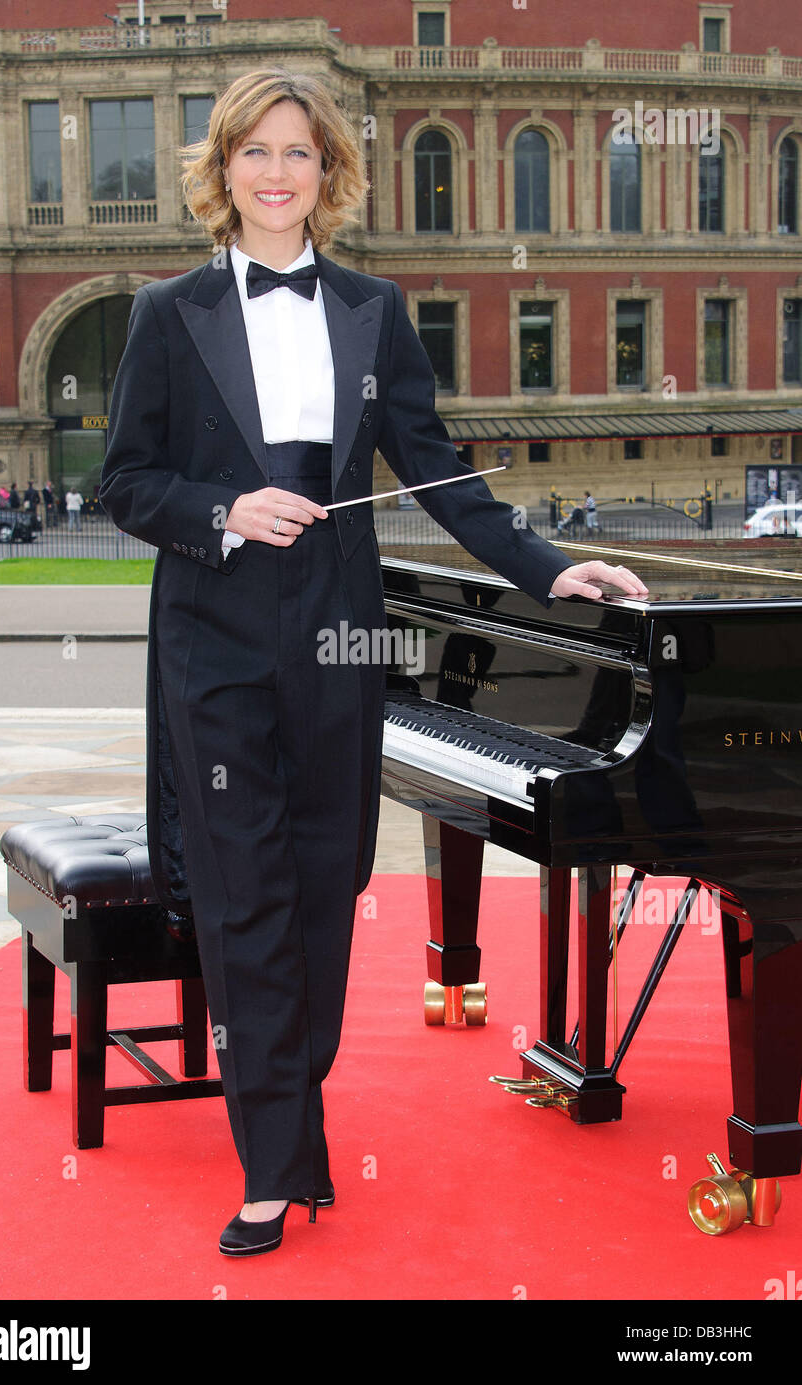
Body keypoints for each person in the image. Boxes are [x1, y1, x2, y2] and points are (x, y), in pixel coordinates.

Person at [99, 66, 648, 1259]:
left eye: (298, 153)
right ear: (222, 170)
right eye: (255, 152)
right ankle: (273, 1165)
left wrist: (547, 568)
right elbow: (123, 484)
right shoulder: (165, 313)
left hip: (338, 635)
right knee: (246, 897)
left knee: (324, 886)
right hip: (214, 640)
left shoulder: (373, 309)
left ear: (327, 172)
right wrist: (225, 508)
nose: (277, 173)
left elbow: (439, 466)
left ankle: (291, 1109)